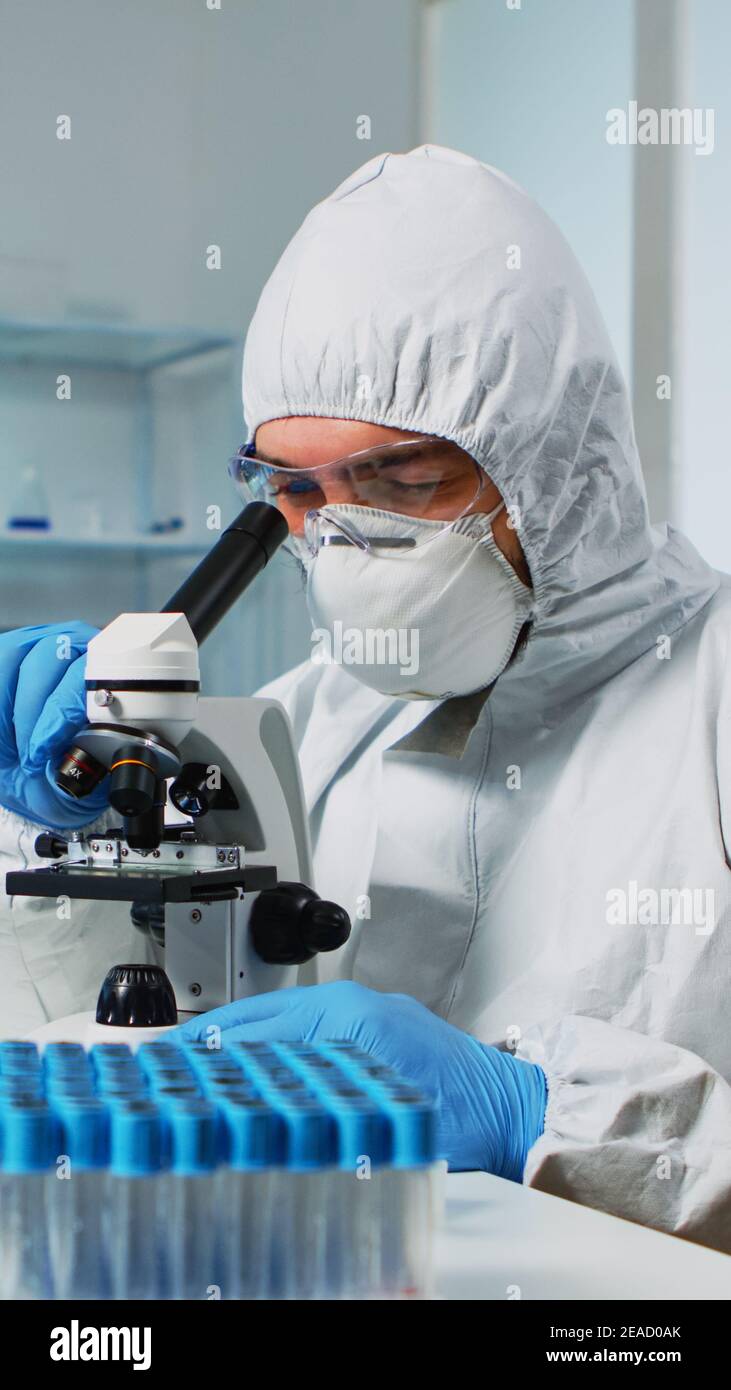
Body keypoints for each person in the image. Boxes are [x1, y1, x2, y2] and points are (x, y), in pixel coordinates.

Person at [2, 146, 730, 1249]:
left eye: (398, 480)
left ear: (548, 451)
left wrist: (550, 1121)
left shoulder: (708, 701)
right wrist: (45, 817)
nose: (341, 538)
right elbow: (118, 1045)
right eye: (295, 491)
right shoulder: (307, 722)